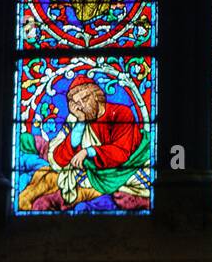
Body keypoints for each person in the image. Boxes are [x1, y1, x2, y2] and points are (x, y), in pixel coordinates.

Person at [18, 76, 151, 212]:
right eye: (77, 103)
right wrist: (81, 122)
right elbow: (60, 159)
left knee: (52, 192)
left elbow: (121, 153)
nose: (82, 106)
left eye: (85, 98)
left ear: (97, 94)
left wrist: (88, 151)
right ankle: (25, 200)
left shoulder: (121, 113)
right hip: (89, 173)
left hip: (124, 170)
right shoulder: (78, 120)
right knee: (46, 176)